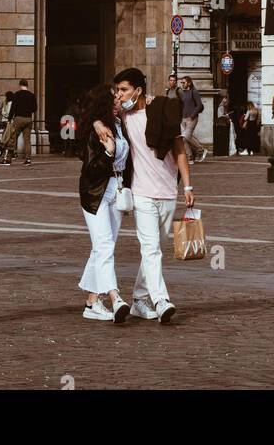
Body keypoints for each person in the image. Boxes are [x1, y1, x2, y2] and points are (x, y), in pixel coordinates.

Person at [114, 66, 195, 323]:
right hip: (141, 192)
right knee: (151, 249)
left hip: (168, 190)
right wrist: (97, 120)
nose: (120, 95)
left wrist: (188, 186)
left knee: (154, 250)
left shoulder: (160, 110)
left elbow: (180, 149)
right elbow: (93, 112)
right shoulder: (121, 118)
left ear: (138, 90)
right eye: (117, 90)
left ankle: (139, 298)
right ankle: (161, 300)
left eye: (124, 90)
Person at [76, 84, 132, 324]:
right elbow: (90, 167)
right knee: (105, 245)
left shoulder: (120, 124)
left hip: (116, 190)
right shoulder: (95, 130)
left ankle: (91, 301)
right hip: (95, 192)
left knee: (102, 247)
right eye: (114, 97)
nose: (119, 99)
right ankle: (114, 295)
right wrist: (108, 154)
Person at [0, 79, 37, 166]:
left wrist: (9, 118)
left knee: (12, 138)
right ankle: (28, 159)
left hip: (18, 118)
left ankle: (8, 159)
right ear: (27, 85)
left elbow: (13, 108)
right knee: (27, 140)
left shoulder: (17, 94)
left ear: (20, 85)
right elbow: (34, 108)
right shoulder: (32, 95)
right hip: (28, 119)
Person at [179, 75, 208, 164]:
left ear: (189, 83)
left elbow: (199, 105)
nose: (182, 84)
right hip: (183, 118)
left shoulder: (194, 92)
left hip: (192, 118)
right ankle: (190, 158)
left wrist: (192, 115)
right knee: (184, 139)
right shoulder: (182, 93)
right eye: (181, 83)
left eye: (184, 82)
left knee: (186, 137)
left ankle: (201, 149)